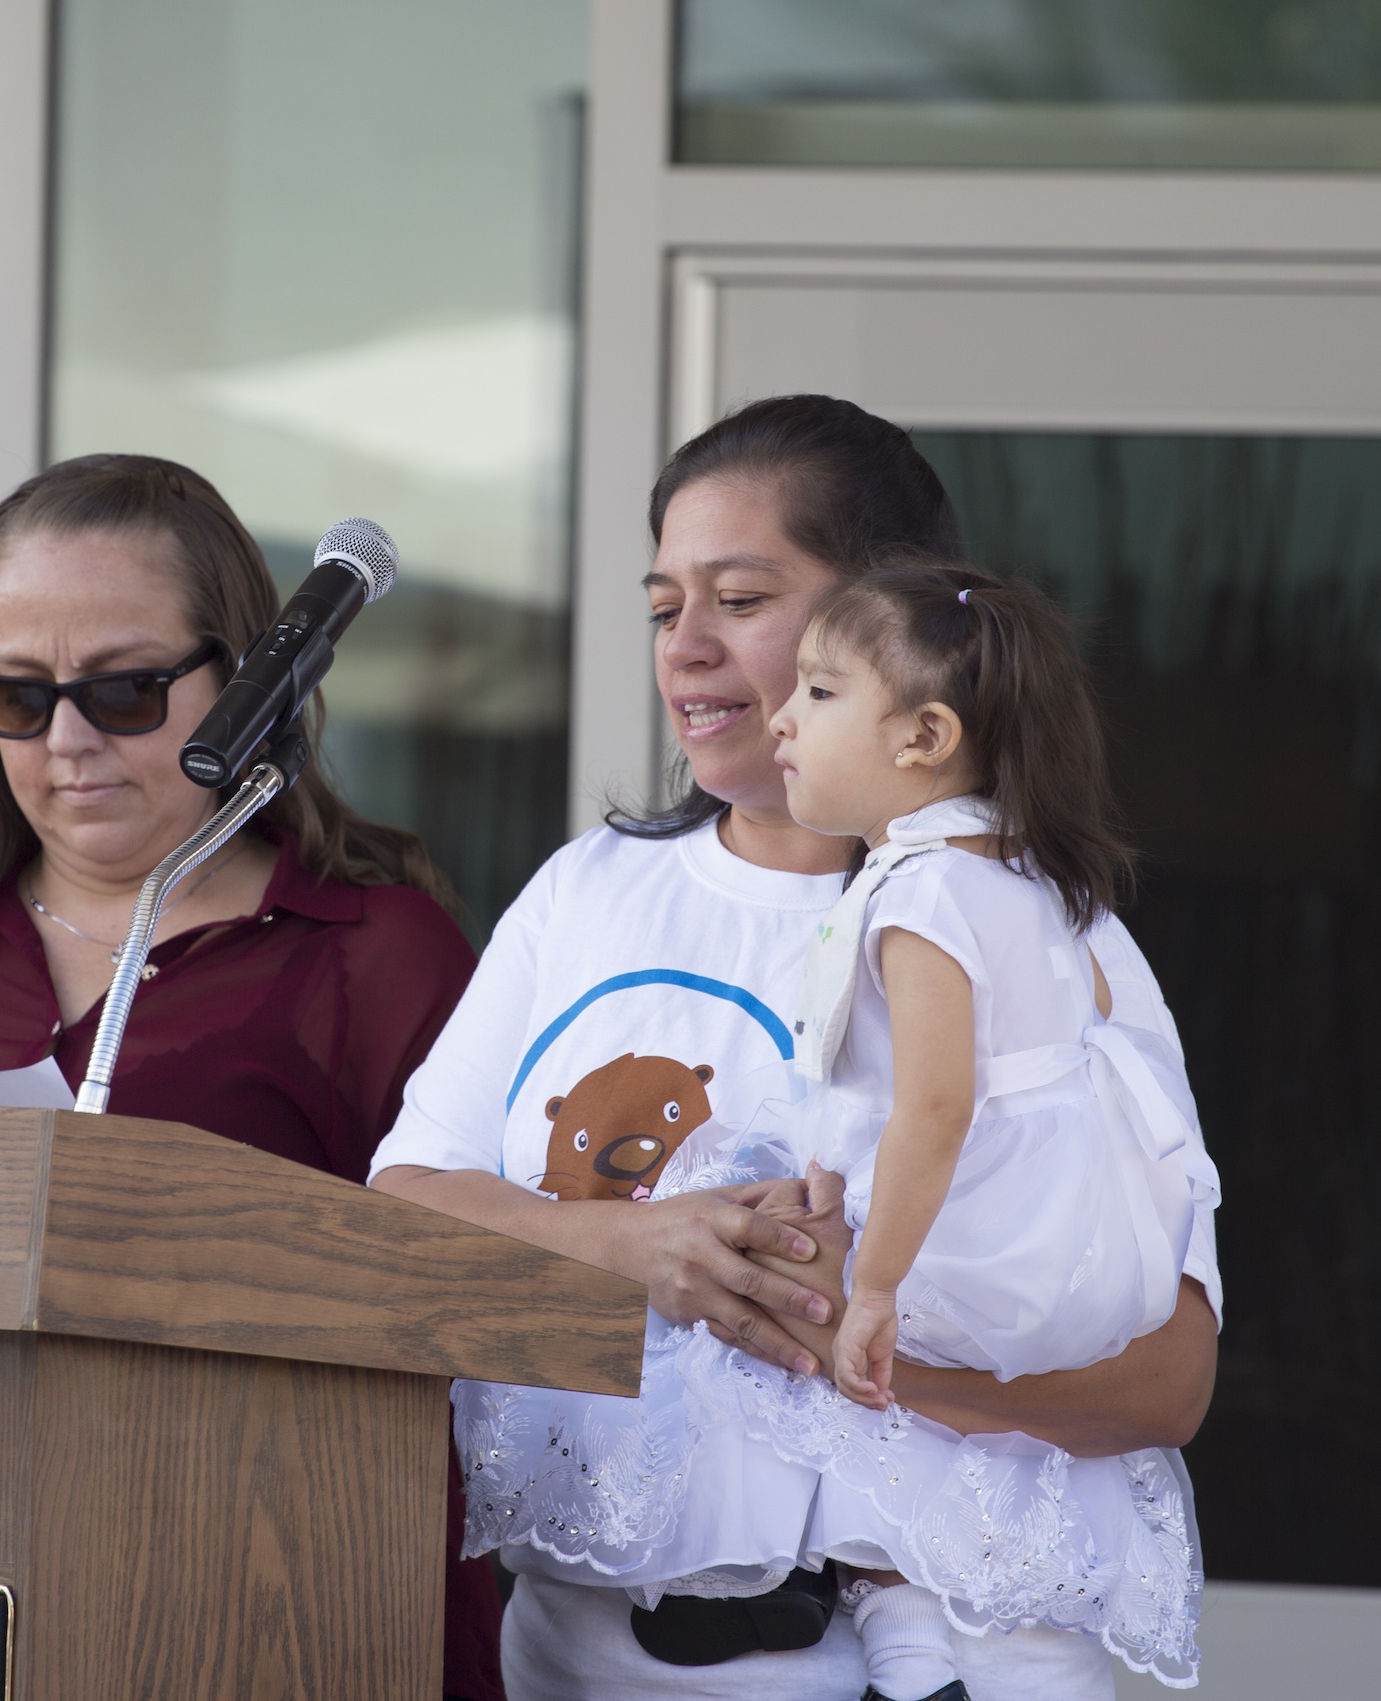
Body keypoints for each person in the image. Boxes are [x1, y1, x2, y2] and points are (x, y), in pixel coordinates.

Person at [369, 397, 1222, 1701]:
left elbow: (1168, 1376)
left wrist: (857, 1335)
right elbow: (406, 1209)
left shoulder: (1050, 934)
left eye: (742, 599)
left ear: (892, 628)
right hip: (601, 1664)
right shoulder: (586, 895)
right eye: (665, 607)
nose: (687, 649)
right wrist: (643, 1248)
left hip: (970, 1666)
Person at [0, 453, 505, 1701]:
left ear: (244, 682)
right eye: (16, 695)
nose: (64, 743)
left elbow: (485, 1306)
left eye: (122, 692)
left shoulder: (377, 955)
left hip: (280, 1614)